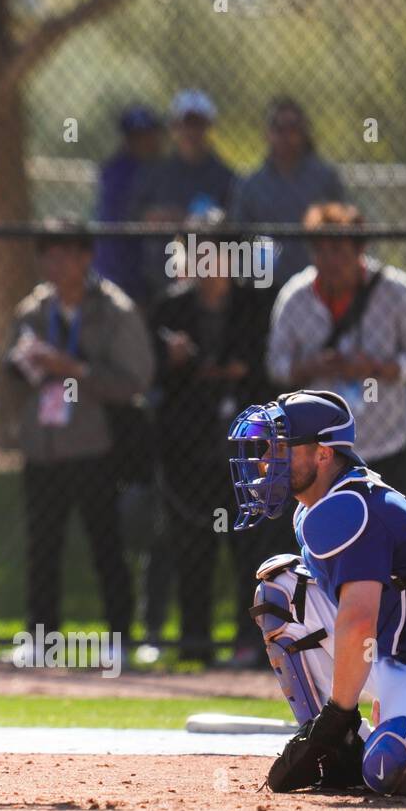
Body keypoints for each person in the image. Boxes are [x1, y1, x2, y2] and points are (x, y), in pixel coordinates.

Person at [228, 390, 406, 795]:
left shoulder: (345, 508)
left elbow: (358, 621)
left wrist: (335, 715)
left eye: (281, 447)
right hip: (398, 654)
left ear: (323, 455)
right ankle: (344, 751)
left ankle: (351, 736)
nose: (266, 459)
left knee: (392, 764)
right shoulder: (318, 506)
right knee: (281, 588)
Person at [4, 229, 154, 656]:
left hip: (95, 444)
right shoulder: (33, 309)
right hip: (44, 445)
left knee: (106, 542)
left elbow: (136, 380)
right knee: (42, 544)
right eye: (48, 257)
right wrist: (25, 364)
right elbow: (11, 366)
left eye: (65, 256)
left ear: (86, 257)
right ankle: (40, 639)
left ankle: (120, 639)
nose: (56, 266)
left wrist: (73, 368)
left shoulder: (115, 310)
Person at [151, 238, 272, 664]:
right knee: (192, 550)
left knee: (250, 554)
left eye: (217, 255)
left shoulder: (255, 305)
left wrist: (242, 372)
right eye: (198, 255)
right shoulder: (171, 308)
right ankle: (195, 643)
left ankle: (251, 644)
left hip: (246, 449)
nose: (208, 265)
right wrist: (176, 361)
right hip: (191, 448)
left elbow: (269, 370)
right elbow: (154, 377)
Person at [267, 202, 406, 492]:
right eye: (320, 251)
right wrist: (310, 367)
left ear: (359, 249)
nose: (329, 261)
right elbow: (276, 365)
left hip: (386, 445)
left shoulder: (395, 291)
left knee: (389, 535)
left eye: (338, 250)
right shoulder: (295, 297)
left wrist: (376, 368)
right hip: (322, 453)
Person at [132, 90, 237, 304]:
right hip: (159, 280)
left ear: (209, 127)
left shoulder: (225, 176)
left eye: (198, 123)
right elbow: (136, 215)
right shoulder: (156, 173)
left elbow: (231, 224)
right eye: (185, 123)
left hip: (208, 283)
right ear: (174, 127)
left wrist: (187, 220)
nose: (191, 131)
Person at [229, 98, 345, 291]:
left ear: (303, 132)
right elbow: (238, 238)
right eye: (278, 128)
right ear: (267, 133)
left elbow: (343, 227)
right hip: (264, 287)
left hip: (317, 282)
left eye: (293, 127)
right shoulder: (250, 184)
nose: (286, 135)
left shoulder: (325, 178)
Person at [93, 105, 164, 307]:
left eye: (151, 134)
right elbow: (131, 217)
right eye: (140, 136)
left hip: (138, 270)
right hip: (121, 269)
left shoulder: (150, 168)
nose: (151, 141)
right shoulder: (120, 172)